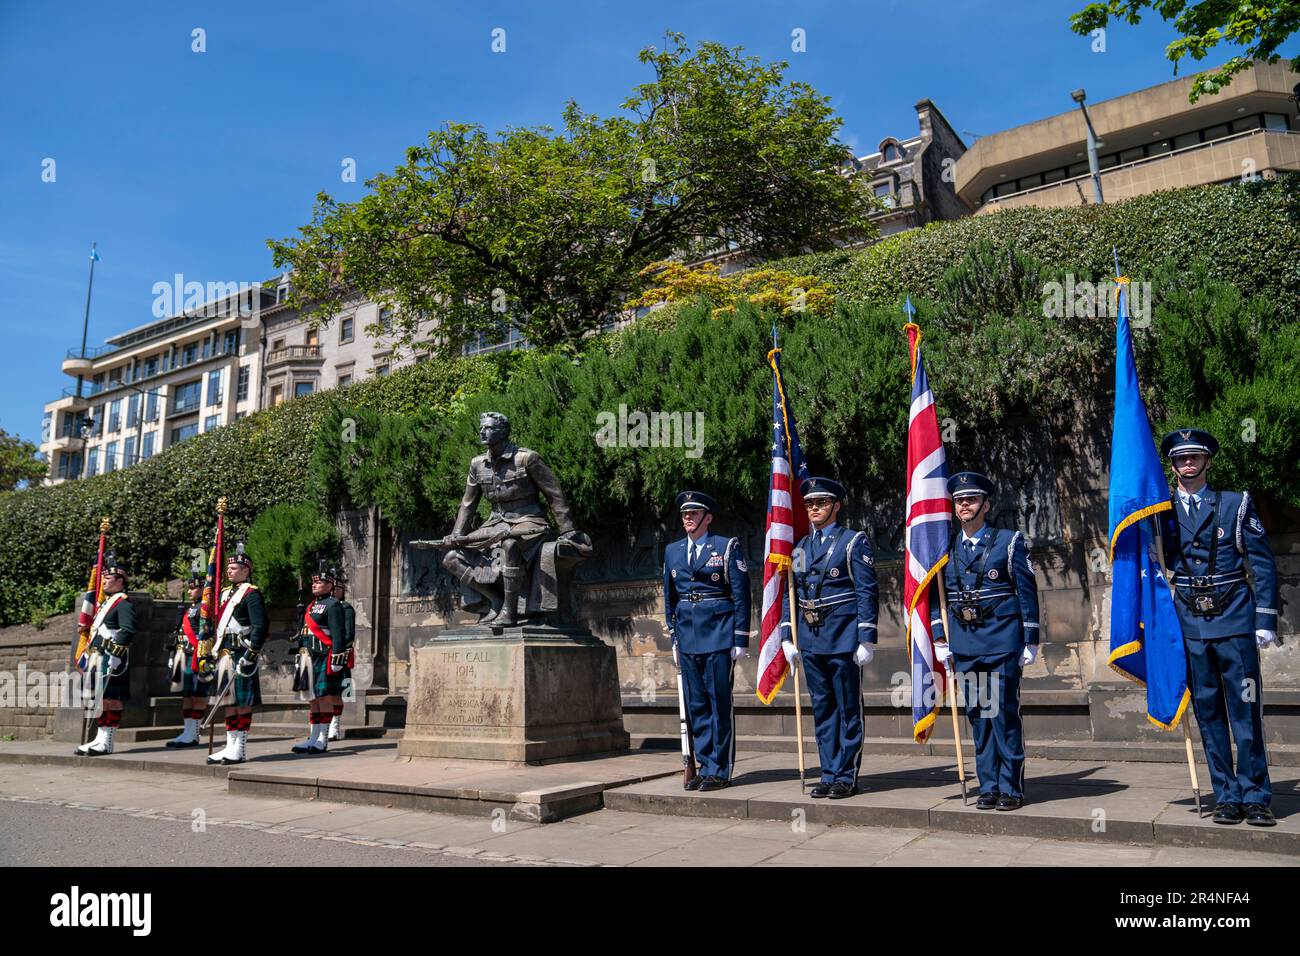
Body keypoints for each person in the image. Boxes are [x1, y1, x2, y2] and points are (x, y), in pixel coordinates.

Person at [1157, 428, 1279, 827]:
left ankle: (1256, 795)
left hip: (1235, 623)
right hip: (1190, 626)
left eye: (1194, 457)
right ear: (1171, 465)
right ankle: (1225, 795)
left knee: (1244, 710)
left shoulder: (1234, 504)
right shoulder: (1160, 513)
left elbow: (1261, 563)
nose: (1187, 464)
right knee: (1208, 713)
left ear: (1208, 461)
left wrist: (1265, 619)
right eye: (1180, 459)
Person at [932, 472, 1040, 811]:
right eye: (960, 500)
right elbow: (936, 598)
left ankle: (1011, 787)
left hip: (1001, 641)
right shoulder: (944, 548)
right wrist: (939, 637)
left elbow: (1026, 591)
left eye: (972, 499)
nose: (965, 504)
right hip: (965, 644)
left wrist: (1031, 639)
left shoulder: (1009, 541)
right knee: (979, 715)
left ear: (986, 505)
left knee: (1003, 715)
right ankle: (988, 784)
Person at [779, 478, 878, 799]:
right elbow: (790, 595)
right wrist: (786, 636)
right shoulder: (801, 549)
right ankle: (828, 771)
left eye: (821, 503)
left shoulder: (852, 542)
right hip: (810, 638)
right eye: (809, 504)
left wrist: (866, 638)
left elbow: (866, 590)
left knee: (848, 708)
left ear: (836, 506)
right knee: (823, 710)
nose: (814, 509)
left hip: (843, 637)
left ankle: (846, 775)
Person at [662, 491, 751, 791]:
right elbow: (669, 598)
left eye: (694, 513)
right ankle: (702, 764)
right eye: (685, 513)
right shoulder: (672, 551)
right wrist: (674, 635)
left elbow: (741, 595)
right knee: (696, 705)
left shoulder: (725, 547)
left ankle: (719, 769)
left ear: (707, 517)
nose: (688, 517)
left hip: (718, 634)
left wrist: (740, 637)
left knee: (718, 703)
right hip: (687, 636)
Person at [205, 545, 267, 765]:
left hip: (242, 652)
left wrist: (251, 654)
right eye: (229, 568)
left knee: (241, 701)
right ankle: (229, 745)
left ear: (246, 570)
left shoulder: (251, 594)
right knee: (228, 702)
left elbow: (260, 627)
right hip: (224, 653)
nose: (229, 571)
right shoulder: (223, 594)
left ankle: (239, 748)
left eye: (234, 568)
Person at [75, 555, 134, 756]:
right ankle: (99, 738)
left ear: (120, 581)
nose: (104, 582)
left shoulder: (123, 604)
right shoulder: (106, 604)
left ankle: (107, 741)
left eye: (108, 579)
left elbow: (127, 630)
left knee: (111, 699)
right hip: (98, 656)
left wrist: (117, 654)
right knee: (100, 699)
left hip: (112, 656)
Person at [292, 563, 348, 754]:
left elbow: (339, 634)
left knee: (323, 697)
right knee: (312, 698)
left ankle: (323, 739)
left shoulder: (333, 605)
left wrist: (337, 659)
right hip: (308, 656)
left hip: (324, 655)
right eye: (314, 582)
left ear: (330, 584)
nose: (314, 585)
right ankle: (313, 737)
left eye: (320, 582)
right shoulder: (310, 605)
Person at [165, 575, 207, 748]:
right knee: (187, 695)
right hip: (184, 655)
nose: (189, 591)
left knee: (198, 695)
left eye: (193, 588)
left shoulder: (204, 608)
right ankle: (187, 730)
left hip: (197, 655)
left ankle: (194, 733)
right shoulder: (190, 607)